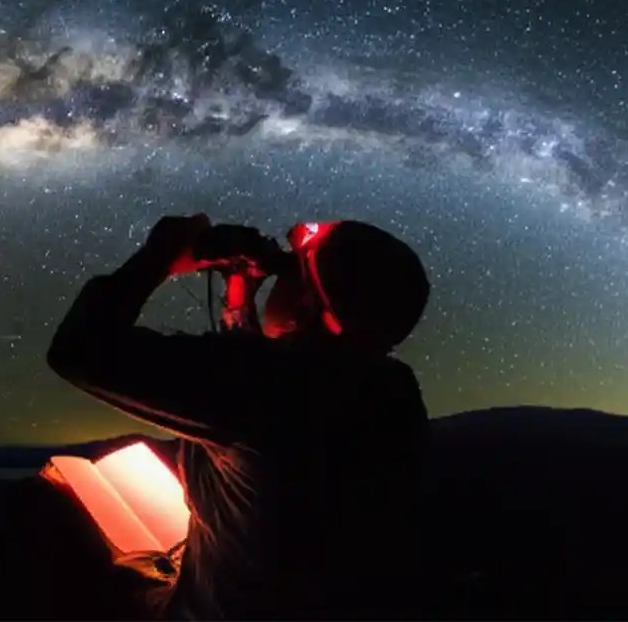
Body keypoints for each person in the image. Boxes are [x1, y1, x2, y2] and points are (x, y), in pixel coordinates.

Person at [47, 214, 432, 620]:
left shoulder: (261, 385)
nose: (278, 277)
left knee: (68, 538)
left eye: (290, 272)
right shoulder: (392, 388)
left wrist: (159, 254)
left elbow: (79, 348)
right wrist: (241, 291)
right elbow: (271, 387)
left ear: (305, 304)